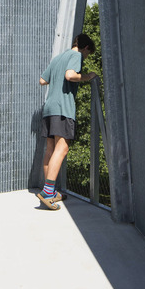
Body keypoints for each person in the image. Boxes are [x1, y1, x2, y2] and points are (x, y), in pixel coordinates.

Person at [37, 32, 97, 210]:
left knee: (50, 149)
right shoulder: (76, 55)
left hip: (49, 107)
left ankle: (50, 191)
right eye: (88, 54)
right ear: (86, 48)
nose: (85, 57)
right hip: (63, 107)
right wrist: (88, 76)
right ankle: (48, 192)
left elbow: (42, 80)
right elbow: (70, 75)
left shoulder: (57, 58)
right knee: (62, 148)